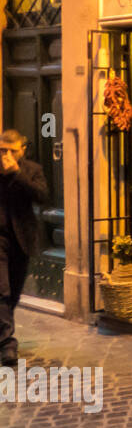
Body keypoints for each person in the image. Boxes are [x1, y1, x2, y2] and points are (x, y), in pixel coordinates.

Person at [0, 131, 49, 367]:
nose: (7, 155)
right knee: (3, 291)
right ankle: (8, 344)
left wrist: (17, 174)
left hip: (22, 239)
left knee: (14, 293)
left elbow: (42, 195)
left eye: (12, 150)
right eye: (2, 150)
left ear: (22, 150)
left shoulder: (31, 170)